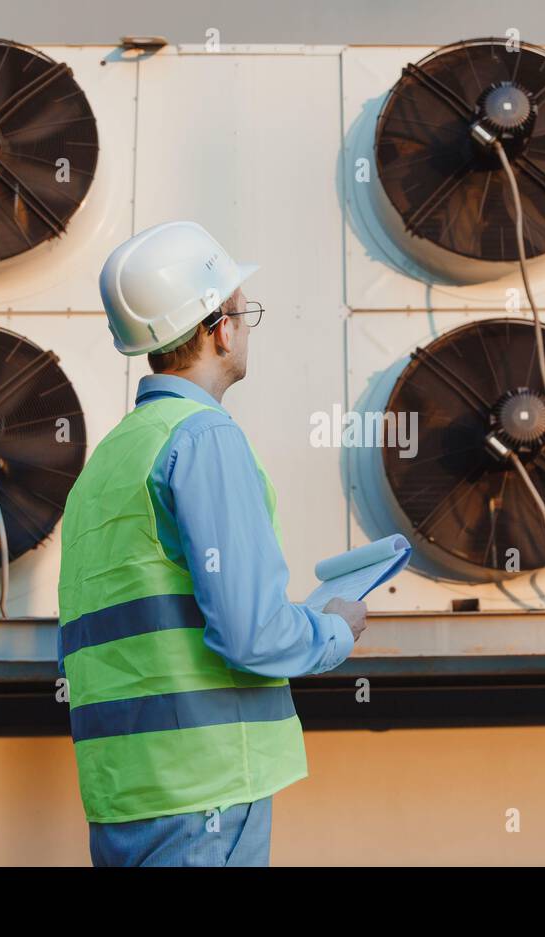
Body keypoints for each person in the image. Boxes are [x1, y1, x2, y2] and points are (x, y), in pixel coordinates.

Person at [57, 221, 367, 867]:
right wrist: (332, 630)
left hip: (126, 793)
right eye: (241, 310)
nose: (246, 326)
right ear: (216, 327)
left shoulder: (108, 462)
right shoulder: (203, 439)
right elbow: (251, 636)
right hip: (206, 791)